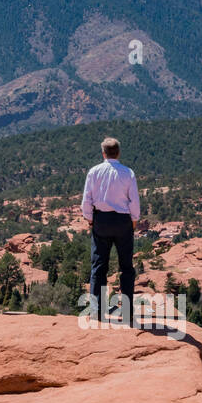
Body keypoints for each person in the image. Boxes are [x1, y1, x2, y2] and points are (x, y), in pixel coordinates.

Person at [80, 137, 140, 325]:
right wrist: (134, 221)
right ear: (118, 153)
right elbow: (134, 201)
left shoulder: (94, 172)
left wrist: (90, 219)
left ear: (103, 153)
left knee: (99, 267)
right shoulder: (128, 173)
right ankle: (127, 313)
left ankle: (97, 312)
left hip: (101, 221)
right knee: (126, 268)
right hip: (123, 221)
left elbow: (86, 200)